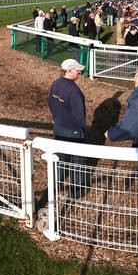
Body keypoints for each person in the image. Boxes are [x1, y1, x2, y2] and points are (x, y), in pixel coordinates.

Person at [48, 59, 94, 199]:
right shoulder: (74, 90)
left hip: (59, 127)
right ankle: (75, 190)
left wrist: (56, 117)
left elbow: (50, 102)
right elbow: (79, 115)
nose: (79, 72)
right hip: (73, 130)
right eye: (76, 70)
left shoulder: (56, 83)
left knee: (59, 158)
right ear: (68, 71)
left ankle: (55, 185)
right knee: (78, 160)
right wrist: (82, 129)